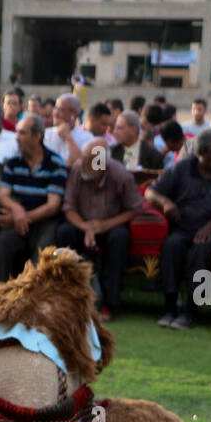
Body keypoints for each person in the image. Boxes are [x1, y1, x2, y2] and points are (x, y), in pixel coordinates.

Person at [145, 128, 211, 329]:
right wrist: (166, 202)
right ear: (201, 152)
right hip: (182, 227)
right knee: (172, 246)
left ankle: (190, 311)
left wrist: (208, 229)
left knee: (200, 251)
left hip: (208, 230)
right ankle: (170, 308)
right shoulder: (182, 168)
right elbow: (151, 192)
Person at [55, 137, 142, 320]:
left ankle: (109, 304)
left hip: (111, 226)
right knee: (64, 232)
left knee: (119, 238)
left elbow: (134, 209)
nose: (85, 164)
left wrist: (103, 226)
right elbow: (69, 208)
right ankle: (65, 298)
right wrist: (85, 226)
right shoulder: (78, 171)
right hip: (82, 225)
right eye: (84, 159)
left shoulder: (120, 175)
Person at [0, 112, 65, 284]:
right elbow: (2, 196)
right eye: (17, 132)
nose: (17, 137)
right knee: (4, 242)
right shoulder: (14, 161)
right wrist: (17, 210)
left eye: (22, 133)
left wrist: (24, 218)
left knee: (44, 247)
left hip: (44, 222)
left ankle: (35, 298)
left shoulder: (55, 163)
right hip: (17, 220)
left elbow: (52, 206)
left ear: (37, 136)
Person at [43, 93, 92, 164]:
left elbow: (82, 164)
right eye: (55, 108)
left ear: (73, 114)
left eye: (61, 110)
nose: (55, 113)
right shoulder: (45, 134)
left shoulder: (87, 137)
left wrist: (68, 138)